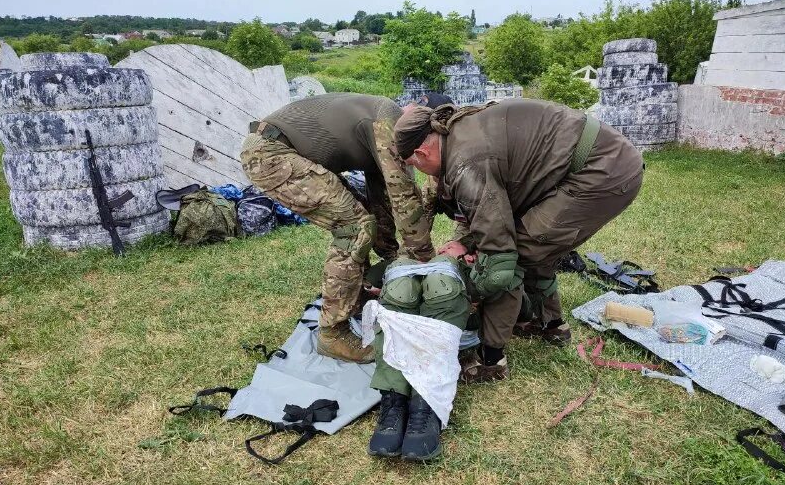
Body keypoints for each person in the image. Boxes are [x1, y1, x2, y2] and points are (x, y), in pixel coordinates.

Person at [392, 99, 644, 381]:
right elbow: (496, 212)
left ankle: (491, 361)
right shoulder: (458, 132)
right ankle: (551, 325)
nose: (421, 174)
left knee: (517, 254)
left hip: (602, 170)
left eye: (413, 165)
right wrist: (468, 244)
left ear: (421, 152)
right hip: (598, 159)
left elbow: (500, 256)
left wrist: (470, 293)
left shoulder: (466, 164)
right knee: (537, 244)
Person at [240, 93, 434, 363]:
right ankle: (332, 334)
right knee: (354, 228)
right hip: (271, 153)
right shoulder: (389, 122)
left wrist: (390, 254)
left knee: (363, 218)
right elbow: (404, 195)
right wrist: (424, 259)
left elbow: (384, 198)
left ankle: (355, 297)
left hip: (275, 146)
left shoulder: (383, 127)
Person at [366, 253, 471, 461]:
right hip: (407, 269)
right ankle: (395, 401)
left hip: (455, 282)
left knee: (441, 286)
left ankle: (423, 404)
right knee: (400, 288)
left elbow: (500, 274)